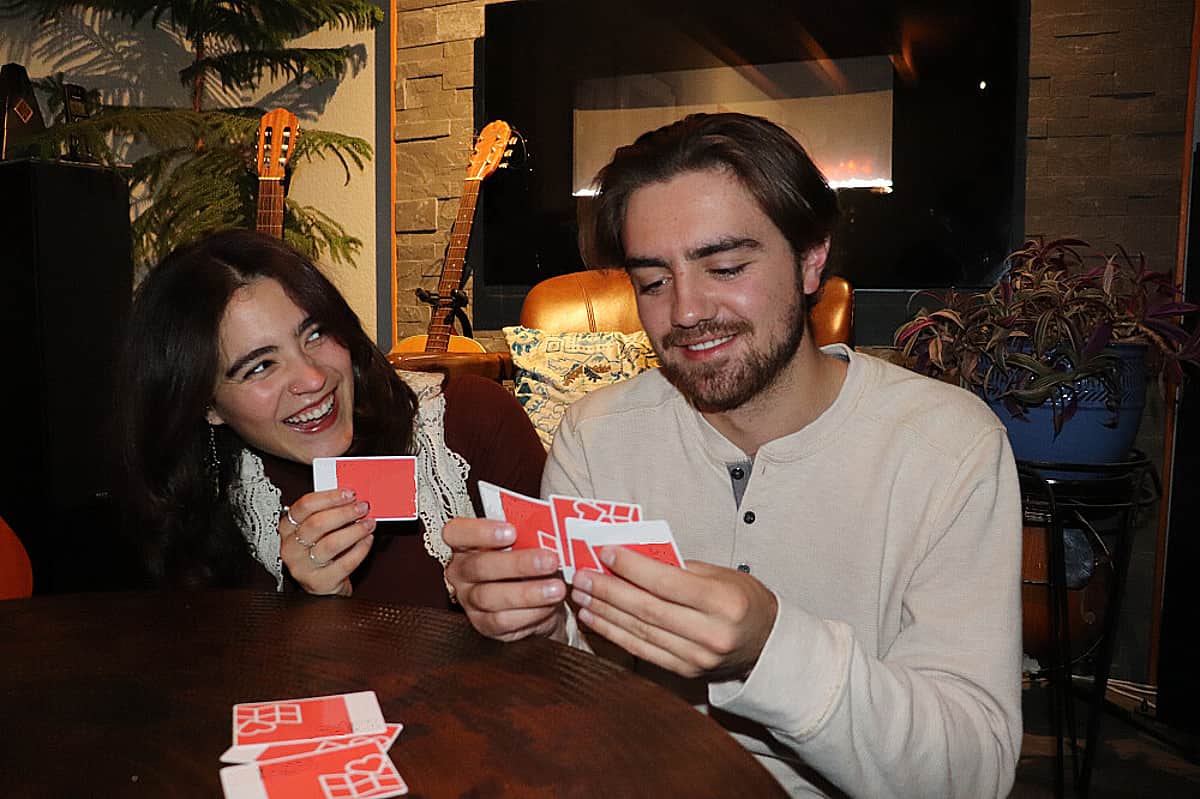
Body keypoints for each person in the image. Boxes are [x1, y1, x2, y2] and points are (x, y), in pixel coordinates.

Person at [442, 113, 1023, 797]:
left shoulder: (949, 447)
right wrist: (537, 621)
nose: (686, 311)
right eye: (654, 281)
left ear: (811, 258)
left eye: (724, 266)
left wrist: (773, 646)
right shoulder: (595, 435)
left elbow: (973, 770)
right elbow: (570, 690)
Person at [115, 229, 545, 605]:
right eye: (260, 366)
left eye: (315, 334)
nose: (313, 377)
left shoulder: (473, 420)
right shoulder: (202, 505)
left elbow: (567, 637)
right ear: (206, 405)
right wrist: (319, 608)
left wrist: (518, 612)